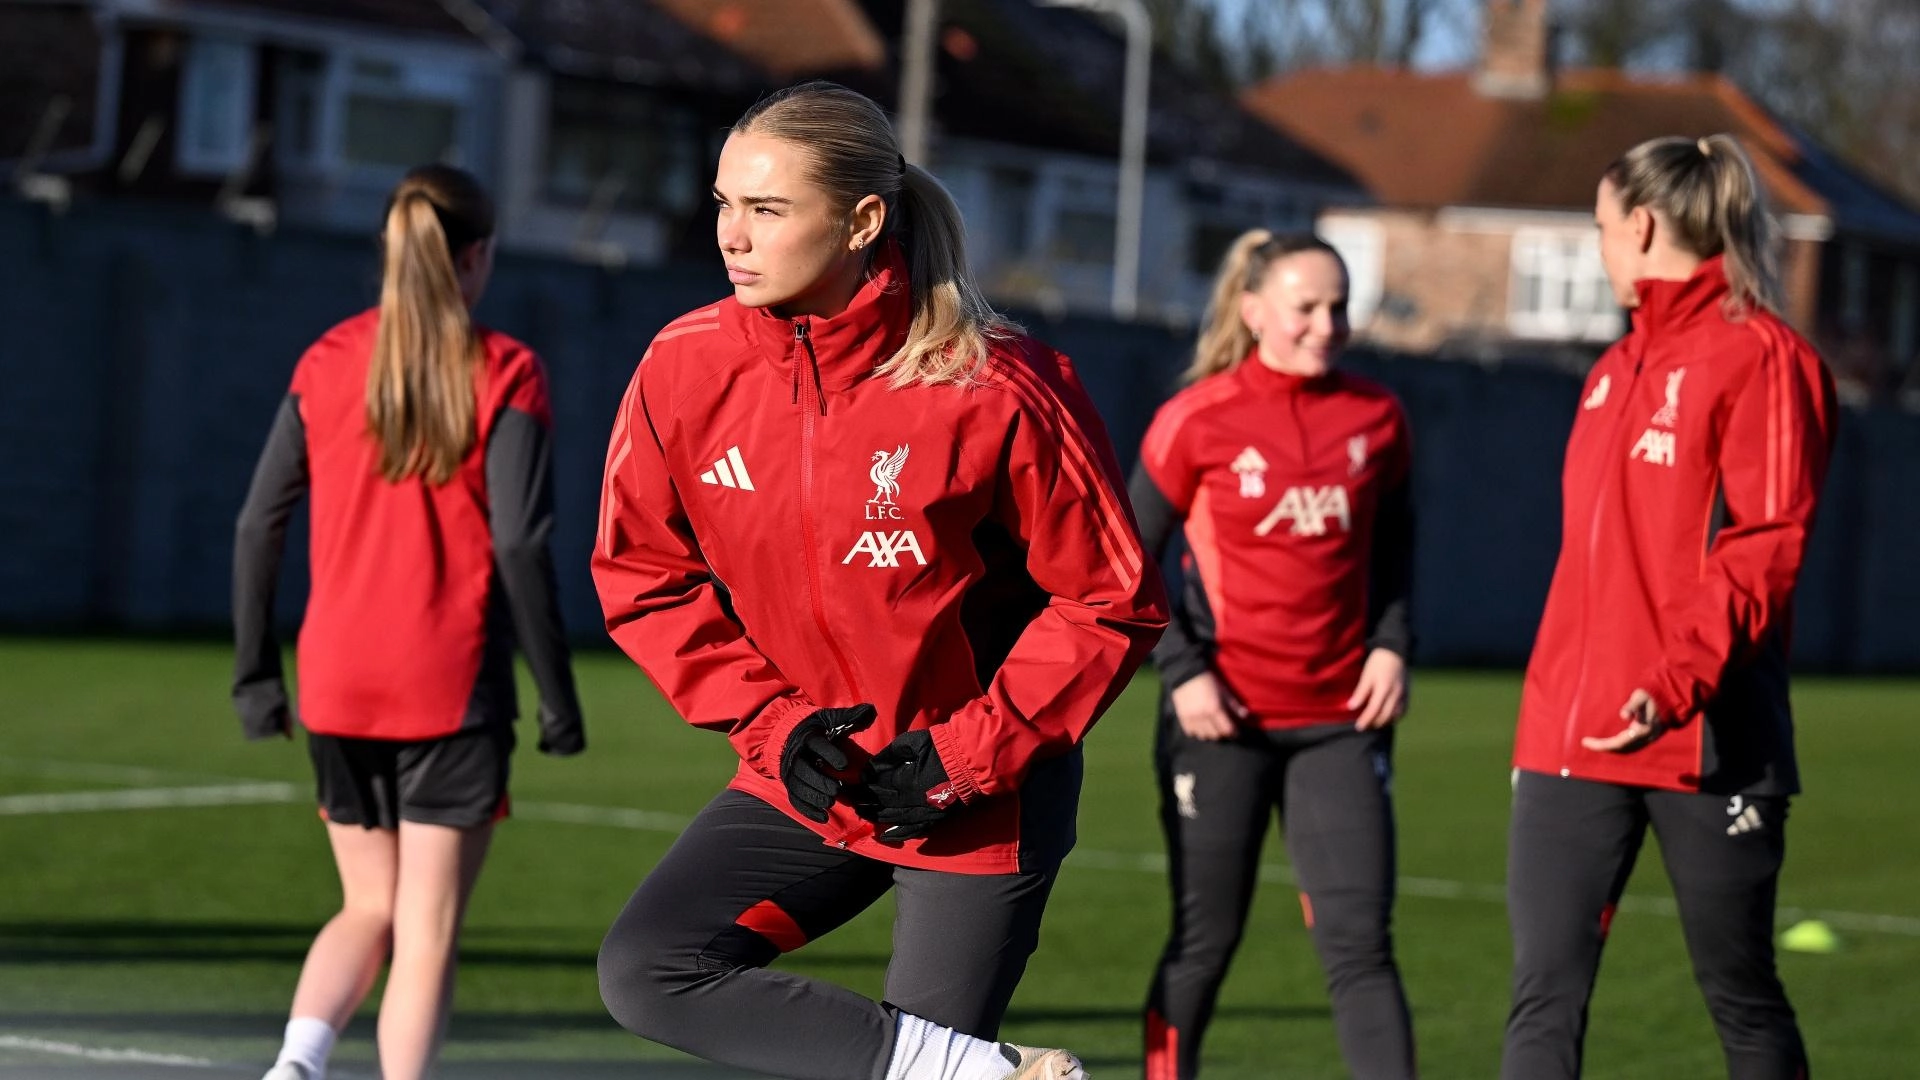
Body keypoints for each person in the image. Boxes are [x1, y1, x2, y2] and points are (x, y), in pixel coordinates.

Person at [590, 81, 1167, 1080]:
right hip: (807, 772)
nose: (732, 233)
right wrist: (771, 726)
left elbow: (1112, 599)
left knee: (914, 1061)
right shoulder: (682, 368)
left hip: (979, 795)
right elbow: (641, 572)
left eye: (767, 209)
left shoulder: (997, 386)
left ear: (862, 220)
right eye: (725, 202)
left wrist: (968, 756)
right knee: (648, 968)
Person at [231, 163, 586, 1080]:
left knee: (367, 908)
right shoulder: (506, 370)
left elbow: (256, 522)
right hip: (449, 689)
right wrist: (556, 696)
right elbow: (520, 545)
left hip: (337, 685)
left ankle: (296, 1065)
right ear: (476, 258)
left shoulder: (325, 360)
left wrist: (254, 674)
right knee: (425, 931)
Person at [1502, 133, 1837, 1080]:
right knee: (1542, 998)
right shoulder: (1614, 370)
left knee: (1740, 995)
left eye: (1601, 228)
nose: (1598, 248)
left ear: (1641, 224)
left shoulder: (1763, 358)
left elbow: (1767, 543)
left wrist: (1676, 678)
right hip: (1570, 738)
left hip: (1711, 736)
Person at [1131, 231, 1418, 1079]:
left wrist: (1393, 646)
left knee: (1361, 947)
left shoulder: (1379, 417)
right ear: (1255, 312)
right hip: (1220, 725)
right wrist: (1183, 672)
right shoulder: (1197, 419)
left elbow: (1399, 549)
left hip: (1340, 723)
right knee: (1203, 942)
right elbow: (1125, 564)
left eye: (1338, 307)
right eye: (1307, 307)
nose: (1328, 324)